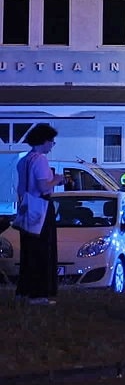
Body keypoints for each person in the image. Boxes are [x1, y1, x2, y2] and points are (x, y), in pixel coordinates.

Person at [13, 123, 64, 305]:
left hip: (26, 207)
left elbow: (20, 188)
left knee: (27, 251)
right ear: (44, 141)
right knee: (42, 251)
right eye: (52, 141)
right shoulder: (40, 160)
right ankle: (39, 294)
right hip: (41, 208)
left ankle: (24, 291)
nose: (52, 145)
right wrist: (57, 180)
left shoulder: (23, 160)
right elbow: (43, 187)